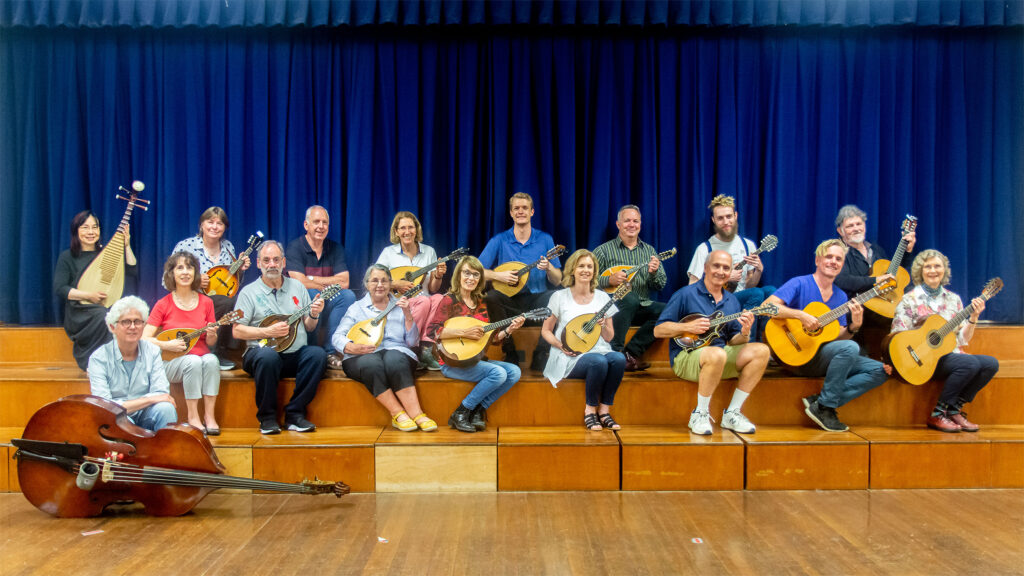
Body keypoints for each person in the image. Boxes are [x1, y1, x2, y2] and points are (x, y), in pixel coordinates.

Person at [765, 239, 889, 432]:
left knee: (881, 370)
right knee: (851, 348)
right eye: (829, 256)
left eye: (838, 259)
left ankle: (821, 401)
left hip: (820, 356)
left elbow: (836, 339)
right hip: (795, 355)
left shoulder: (840, 297)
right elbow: (766, 307)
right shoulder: (799, 283)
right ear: (817, 260)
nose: (833, 261)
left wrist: (853, 328)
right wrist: (800, 315)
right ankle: (826, 407)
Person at [654, 251, 771, 435]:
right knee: (717, 353)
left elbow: (734, 341)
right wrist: (689, 326)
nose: (721, 271)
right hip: (686, 358)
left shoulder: (731, 300)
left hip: (719, 357)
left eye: (726, 268)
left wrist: (745, 332)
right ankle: (699, 413)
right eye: (716, 266)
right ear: (705, 268)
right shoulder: (685, 294)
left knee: (761, 350)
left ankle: (732, 413)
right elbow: (658, 330)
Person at [890, 250, 999, 432]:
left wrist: (973, 317)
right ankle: (938, 414)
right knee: (969, 363)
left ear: (944, 271)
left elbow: (962, 339)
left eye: (937, 266)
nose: (933, 270)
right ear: (920, 271)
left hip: (948, 357)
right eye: (928, 266)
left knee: (990, 364)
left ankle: (954, 409)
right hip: (920, 360)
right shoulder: (909, 299)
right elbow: (897, 333)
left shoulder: (953, 299)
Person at [233, 241, 326, 435]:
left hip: (293, 353)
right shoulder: (248, 292)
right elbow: (237, 331)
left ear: (283, 262)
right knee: (268, 357)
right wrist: (268, 332)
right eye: (266, 260)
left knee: (317, 355)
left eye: (276, 260)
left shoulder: (298, 287)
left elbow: (309, 327)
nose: (272, 264)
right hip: (260, 354)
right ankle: (267, 419)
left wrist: (315, 314)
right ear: (258, 264)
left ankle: (295, 415)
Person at [333, 265, 437, 432]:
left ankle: (417, 414)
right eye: (375, 280)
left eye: (384, 281)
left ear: (390, 284)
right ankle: (398, 414)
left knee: (393, 358)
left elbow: (411, 343)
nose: (380, 285)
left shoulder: (401, 306)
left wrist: (408, 315)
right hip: (362, 356)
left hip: (397, 353)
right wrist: (350, 347)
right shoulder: (356, 308)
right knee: (372, 361)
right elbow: (337, 336)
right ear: (367, 284)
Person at [427, 256, 524, 432]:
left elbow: (491, 340)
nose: (471, 278)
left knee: (514, 372)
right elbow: (432, 332)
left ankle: (478, 410)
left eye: (476, 275)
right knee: (498, 373)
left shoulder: (482, 303)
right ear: (458, 275)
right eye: (467, 273)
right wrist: (463, 332)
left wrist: (509, 330)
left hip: (474, 359)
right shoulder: (449, 300)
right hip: (452, 361)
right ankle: (461, 412)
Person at [540, 249, 626, 431]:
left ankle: (604, 410)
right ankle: (590, 410)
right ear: (572, 270)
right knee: (599, 362)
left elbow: (609, 337)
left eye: (589, 266)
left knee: (618, 359)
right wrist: (559, 345)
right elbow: (546, 331)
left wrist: (603, 325)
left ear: (594, 271)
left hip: (598, 349)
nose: (586, 270)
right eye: (581, 266)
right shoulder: (559, 297)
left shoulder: (603, 297)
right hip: (569, 355)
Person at [480, 192, 563, 371]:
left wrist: (549, 267)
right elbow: (474, 270)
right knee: (492, 296)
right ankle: (510, 352)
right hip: (510, 302)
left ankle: (541, 353)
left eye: (524, 208)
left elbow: (558, 280)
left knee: (557, 296)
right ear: (511, 213)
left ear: (532, 212)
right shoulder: (500, 240)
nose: (520, 211)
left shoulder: (545, 239)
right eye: (516, 208)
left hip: (537, 301)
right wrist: (498, 276)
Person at [142, 252, 221, 435]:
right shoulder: (164, 304)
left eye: (189, 267)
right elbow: (143, 337)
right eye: (180, 267)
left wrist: (211, 334)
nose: (185, 272)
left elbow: (210, 343)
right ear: (172, 273)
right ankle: (193, 416)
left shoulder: (206, 302)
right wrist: (166, 345)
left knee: (212, 360)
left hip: (201, 360)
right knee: (192, 361)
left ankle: (209, 416)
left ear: (196, 273)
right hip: (171, 363)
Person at [54, 210, 137, 370]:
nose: (91, 232)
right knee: (105, 316)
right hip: (80, 310)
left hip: (105, 306)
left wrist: (126, 246)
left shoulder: (106, 254)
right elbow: (60, 288)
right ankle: (96, 364)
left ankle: (120, 364)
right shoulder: (68, 257)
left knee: (123, 315)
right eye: (85, 227)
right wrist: (88, 295)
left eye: (95, 227)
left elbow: (132, 270)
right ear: (76, 230)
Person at [687, 194, 775, 341]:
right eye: (720, 218)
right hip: (716, 305)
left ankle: (769, 343)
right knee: (757, 294)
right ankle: (747, 344)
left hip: (742, 298)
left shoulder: (748, 245)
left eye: (729, 216)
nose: (726, 222)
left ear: (735, 216)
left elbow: (749, 285)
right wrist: (724, 278)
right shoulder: (705, 249)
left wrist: (759, 270)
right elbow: (692, 288)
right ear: (713, 220)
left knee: (771, 292)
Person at [172, 206, 250, 370]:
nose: (215, 227)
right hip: (191, 300)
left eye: (220, 223)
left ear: (224, 228)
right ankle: (216, 352)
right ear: (201, 225)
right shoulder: (186, 246)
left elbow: (231, 284)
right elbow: (167, 281)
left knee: (236, 300)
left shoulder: (228, 248)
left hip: (219, 301)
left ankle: (226, 350)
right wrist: (195, 282)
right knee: (227, 302)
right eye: (210, 222)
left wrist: (240, 271)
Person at [593, 204, 667, 371]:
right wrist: (608, 280)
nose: (631, 224)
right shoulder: (604, 251)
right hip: (613, 309)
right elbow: (586, 281)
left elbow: (660, 284)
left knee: (669, 310)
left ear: (640, 224)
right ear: (618, 224)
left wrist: (654, 273)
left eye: (636, 221)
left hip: (642, 306)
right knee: (629, 297)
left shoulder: (650, 251)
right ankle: (614, 352)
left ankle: (630, 354)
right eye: (627, 221)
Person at [833, 204, 916, 353]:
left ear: (864, 225)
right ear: (840, 231)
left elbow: (894, 275)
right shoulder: (839, 251)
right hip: (856, 308)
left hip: (882, 305)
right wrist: (875, 280)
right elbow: (841, 280)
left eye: (859, 223)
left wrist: (907, 251)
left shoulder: (876, 250)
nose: (856, 228)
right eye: (850, 226)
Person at [87, 296, 177, 432]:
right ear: (113, 327)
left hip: (146, 413)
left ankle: (166, 451)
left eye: (138, 322)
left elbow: (161, 392)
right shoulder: (99, 358)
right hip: (117, 418)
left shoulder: (152, 351)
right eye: (126, 322)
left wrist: (142, 403)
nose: (133, 327)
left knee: (166, 408)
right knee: (121, 420)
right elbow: (104, 406)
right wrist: (147, 400)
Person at [286, 205, 357, 371]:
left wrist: (311, 278)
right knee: (311, 293)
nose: (321, 226)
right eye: (316, 221)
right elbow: (298, 283)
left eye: (325, 222)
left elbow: (344, 282)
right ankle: (310, 350)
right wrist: (327, 284)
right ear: (306, 225)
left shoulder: (335, 248)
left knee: (348, 296)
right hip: (304, 300)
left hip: (328, 298)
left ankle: (330, 352)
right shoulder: (295, 247)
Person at [375, 211, 448, 371]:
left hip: (425, 301)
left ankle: (426, 347)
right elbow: (374, 280)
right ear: (396, 231)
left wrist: (438, 275)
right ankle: (412, 347)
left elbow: (432, 288)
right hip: (400, 303)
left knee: (439, 298)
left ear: (417, 229)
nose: (407, 231)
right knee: (424, 300)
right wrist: (395, 283)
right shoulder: (388, 253)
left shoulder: (429, 252)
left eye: (410, 227)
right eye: (402, 228)